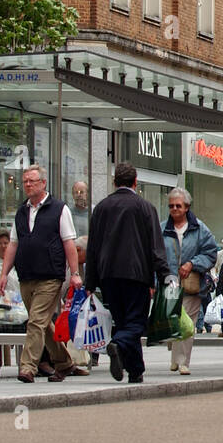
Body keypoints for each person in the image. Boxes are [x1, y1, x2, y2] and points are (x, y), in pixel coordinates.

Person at [0, 164, 86, 383]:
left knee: (35, 321)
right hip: (26, 275)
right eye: (25, 181)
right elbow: (13, 245)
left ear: (43, 183)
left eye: (32, 181)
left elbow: (69, 244)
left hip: (50, 276)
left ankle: (27, 367)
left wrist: (74, 273)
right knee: (42, 322)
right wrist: (4, 273)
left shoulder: (59, 209)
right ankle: (64, 362)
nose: (27, 185)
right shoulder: (21, 211)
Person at [85, 163, 170, 384]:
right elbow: (155, 245)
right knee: (136, 323)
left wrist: (91, 282)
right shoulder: (145, 207)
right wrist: (164, 275)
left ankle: (135, 370)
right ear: (135, 182)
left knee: (123, 319)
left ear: (114, 182)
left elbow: (92, 247)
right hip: (136, 273)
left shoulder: (101, 208)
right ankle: (117, 343)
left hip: (108, 275)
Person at [160, 188, 218, 374]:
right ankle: (175, 358)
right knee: (174, 321)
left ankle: (183, 362)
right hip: (169, 282)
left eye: (178, 205)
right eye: (171, 206)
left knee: (187, 323)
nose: (174, 209)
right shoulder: (162, 229)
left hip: (191, 283)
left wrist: (192, 264)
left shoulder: (200, 229)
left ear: (186, 207)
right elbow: (155, 256)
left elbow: (210, 253)